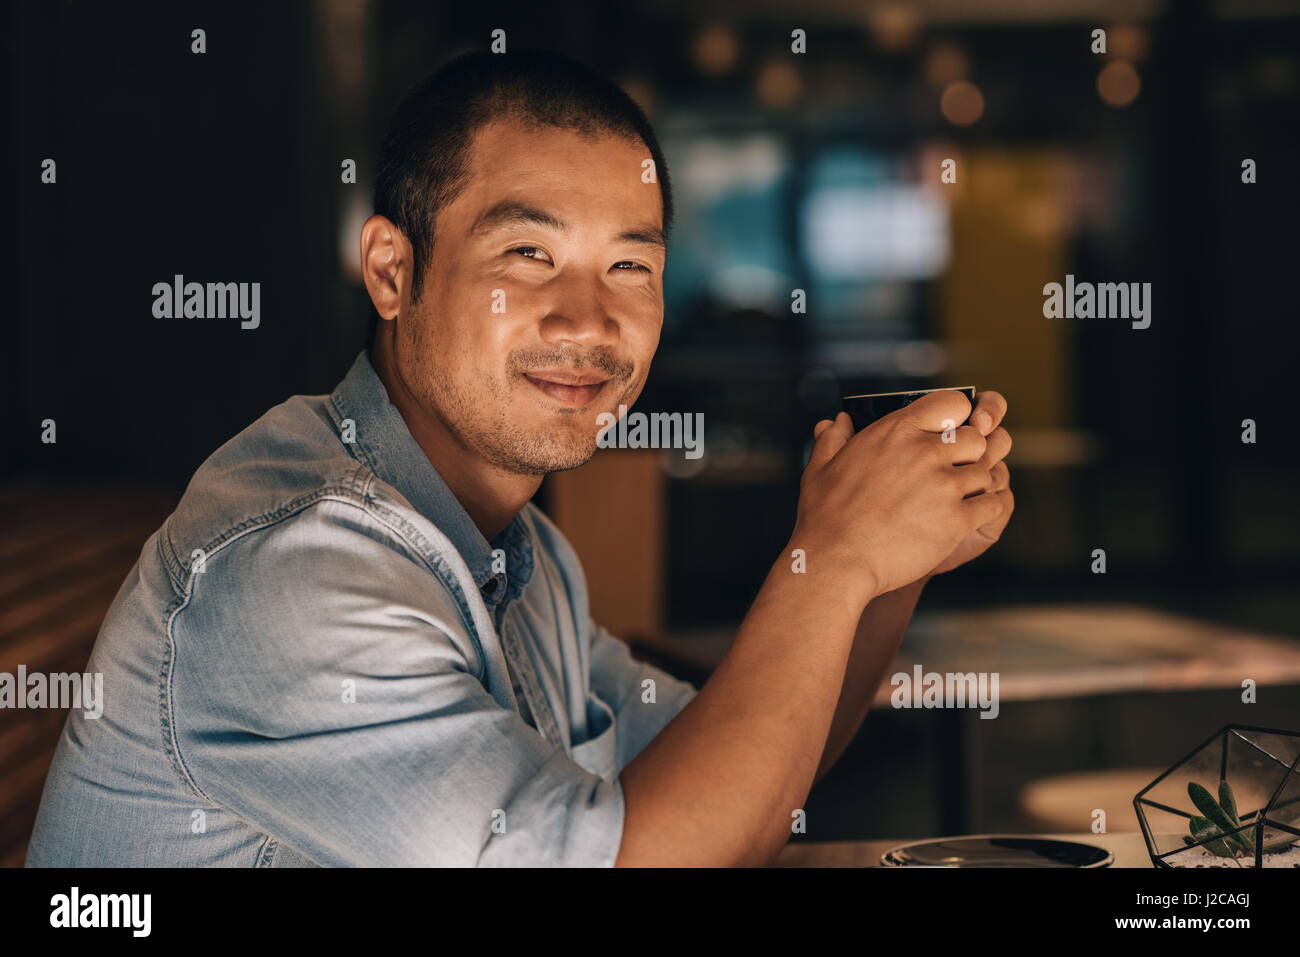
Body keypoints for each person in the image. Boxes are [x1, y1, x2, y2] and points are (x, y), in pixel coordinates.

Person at [26, 48, 1013, 867]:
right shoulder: (295, 567)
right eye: (526, 256)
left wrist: (892, 558)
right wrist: (835, 557)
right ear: (391, 271)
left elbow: (738, 781)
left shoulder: (526, 555)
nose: (588, 318)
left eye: (631, 265)